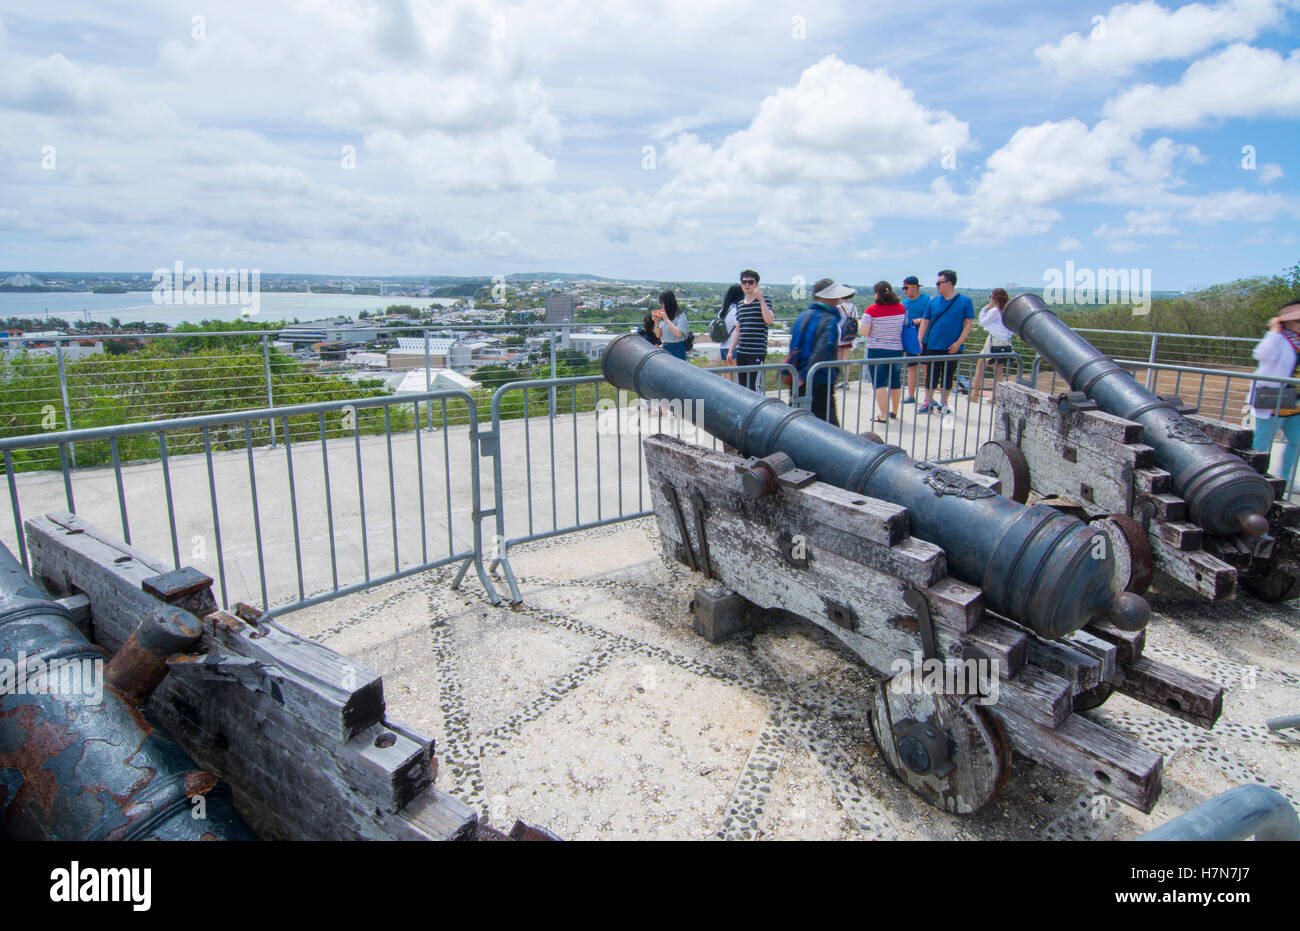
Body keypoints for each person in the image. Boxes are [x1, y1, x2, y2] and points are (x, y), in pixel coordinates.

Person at [1250, 302, 1300, 492]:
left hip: (1295, 399)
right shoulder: (1278, 339)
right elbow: (1261, 354)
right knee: (1262, 445)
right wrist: (1273, 332)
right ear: (1286, 322)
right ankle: (1255, 479)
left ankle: (1284, 481)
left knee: (1295, 441)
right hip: (1273, 396)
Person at [791, 278, 854, 425]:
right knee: (829, 426)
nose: (838, 299)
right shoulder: (828, 320)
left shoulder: (804, 315)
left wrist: (799, 376)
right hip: (819, 379)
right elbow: (821, 350)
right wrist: (806, 375)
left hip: (797, 377)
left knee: (799, 422)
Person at [916, 269, 974, 415]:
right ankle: (928, 401)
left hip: (952, 346)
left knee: (948, 375)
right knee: (931, 375)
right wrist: (919, 341)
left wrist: (959, 342)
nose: (937, 286)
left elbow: (968, 323)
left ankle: (944, 403)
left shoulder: (965, 301)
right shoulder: (933, 301)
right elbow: (925, 322)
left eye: (939, 283)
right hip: (933, 344)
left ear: (949, 283)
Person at [861, 281, 906, 423]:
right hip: (897, 350)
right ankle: (894, 410)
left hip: (877, 350)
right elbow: (905, 325)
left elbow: (864, 332)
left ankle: (883, 415)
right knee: (895, 381)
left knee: (879, 383)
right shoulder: (902, 308)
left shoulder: (871, 310)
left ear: (877, 293)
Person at [728, 270, 773, 392]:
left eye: (750, 282)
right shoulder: (740, 305)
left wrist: (761, 300)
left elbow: (769, 320)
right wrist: (731, 350)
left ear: (756, 284)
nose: (747, 285)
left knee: (754, 386)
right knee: (742, 386)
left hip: (757, 352)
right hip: (742, 351)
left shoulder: (765, 301)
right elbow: (738, 329)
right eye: (744, 282)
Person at [977, 288, 1015, 401]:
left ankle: (974, 394)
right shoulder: (1008, 311)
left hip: (993, 342)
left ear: (995, 298)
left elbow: (982, 322)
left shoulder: (995, 311)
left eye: (991, 297)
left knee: (980, 366)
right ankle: (996, 397)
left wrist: (983, 310)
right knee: (999, 371)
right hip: (1004, 342)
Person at [900, 275, 927, 404]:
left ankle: (928, 397)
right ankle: (911, 395)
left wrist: (922, 320)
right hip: (910, 339)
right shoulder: (903, 303)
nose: (904, 291)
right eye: (903, 288)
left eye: (907, 288)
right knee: (911, 367)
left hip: (926, 338)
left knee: (926, 366)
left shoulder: (927, 300)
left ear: (915, 287)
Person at [654, 290, 689, 360]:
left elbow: (678, 334)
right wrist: (656, 322)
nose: (662, 306)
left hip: (677, 348)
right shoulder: (665, 316)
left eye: (663, 303)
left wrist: (666, 319)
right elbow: (658, 335)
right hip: (666, 347)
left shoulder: (681, 316)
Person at [718, 283, 744, 363]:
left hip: (723, 346)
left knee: (725, 374)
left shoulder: (723, 310)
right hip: (734, 347)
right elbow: (739, 328)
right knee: (732, 374)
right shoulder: (736, 310)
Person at [837, 297, 860, 361]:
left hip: (840, 334)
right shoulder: (854, 307)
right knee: (845, 359)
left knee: (837, 357)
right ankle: (846, 371)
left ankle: (838, 371)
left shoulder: (839, 307)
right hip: (849, 334)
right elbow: (856, 318)